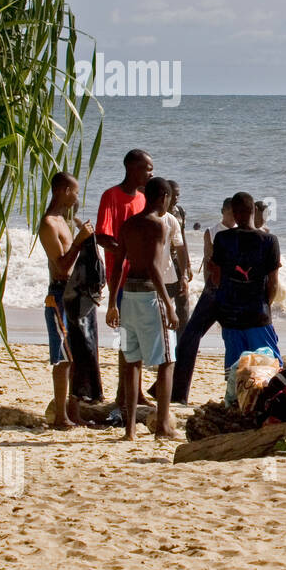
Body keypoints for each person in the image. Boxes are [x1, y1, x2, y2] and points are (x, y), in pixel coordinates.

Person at [104, 177, 178, 441]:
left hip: (128, 297)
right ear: (164, 197)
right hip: (149, 296)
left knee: (131, 361)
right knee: (167, 361)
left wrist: (113, 302)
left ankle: (130, 430)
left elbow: (118, 265)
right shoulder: (157, 225)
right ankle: (163, 427)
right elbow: (154, 269)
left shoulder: (129, 224)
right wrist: (169, 305)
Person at [95, 149, 153, 408]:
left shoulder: (143, 199)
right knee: (127, 336)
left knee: (138, 336)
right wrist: (126, 250)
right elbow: (102, 236)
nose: (151, 173)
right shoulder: (112, 196)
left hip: (142, 277)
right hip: (120, 276)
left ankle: (136, 391)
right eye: (147, 168)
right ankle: (123, 393)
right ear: (132, 169)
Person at [37, 172, 95, 429]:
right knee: (63, 359)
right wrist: (79, 241)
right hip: (59, 294)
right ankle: (60, 416)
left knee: (78, 355)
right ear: (62, 190)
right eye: (74, 191)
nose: (77, 197)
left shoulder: (64, 220)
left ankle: (74, 411)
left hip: (75, 293)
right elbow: (61, 267)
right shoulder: (49, 223)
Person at [210, 192, 283, 375]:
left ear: (234, 213)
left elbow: (216, 278)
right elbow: (273, 284)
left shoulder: (222, 239)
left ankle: (234, 403)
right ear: (254, 210)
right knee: (268, 368)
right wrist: (266, 304)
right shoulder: (269, 240)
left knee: (235, 372)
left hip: (230, 315)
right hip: (258, 314)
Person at [171, 199, 234, 404]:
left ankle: (232, 389)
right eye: (229, 211)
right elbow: (209, 259)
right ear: (223, 211)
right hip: (214, 288)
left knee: (231, 337)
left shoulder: (240, 232)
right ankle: (177, 392)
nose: (231, 215)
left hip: (229, 290)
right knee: (191, 335)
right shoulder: (213, 230)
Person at [166, 181, 192, 337]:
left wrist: (187, 265)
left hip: (178, 260)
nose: (177, 198)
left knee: (183, 301)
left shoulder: (180, 212)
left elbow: (182, 239)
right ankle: (167, 338)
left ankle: (183, 338)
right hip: (164, 262)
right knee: (165, 301)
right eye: (174, 194)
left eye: (178, 194)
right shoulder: (159, 213)